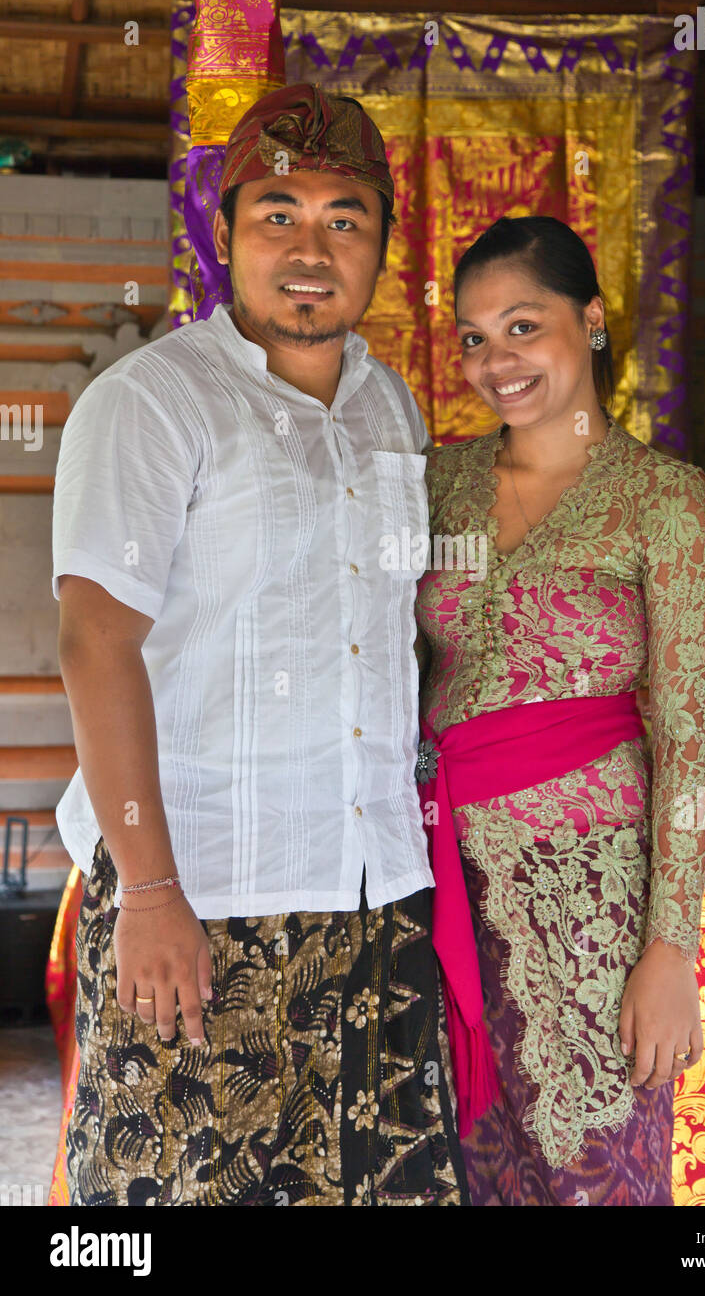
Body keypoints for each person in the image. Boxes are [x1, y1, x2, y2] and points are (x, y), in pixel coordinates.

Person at [52, 83, 469, 1206]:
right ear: (225, 232)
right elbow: (96, 639)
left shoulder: (391, 407)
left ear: (381, 245)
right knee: (179, 1191)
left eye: (345, 218)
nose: (309, 247)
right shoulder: (153, 402)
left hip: (374, 891)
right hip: (199, 896)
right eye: (277, 212)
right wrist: (146, 890)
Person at [414, 215, 705, 1206]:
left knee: (587, 1176)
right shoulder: (440, 480)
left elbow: (689, 740)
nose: (494, 361)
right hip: (436, 882)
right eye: (472, 337)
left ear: (589, 321)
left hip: (588, 902)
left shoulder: (663, 500)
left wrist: (668, 949)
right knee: (455, 1170)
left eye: (522, 325)